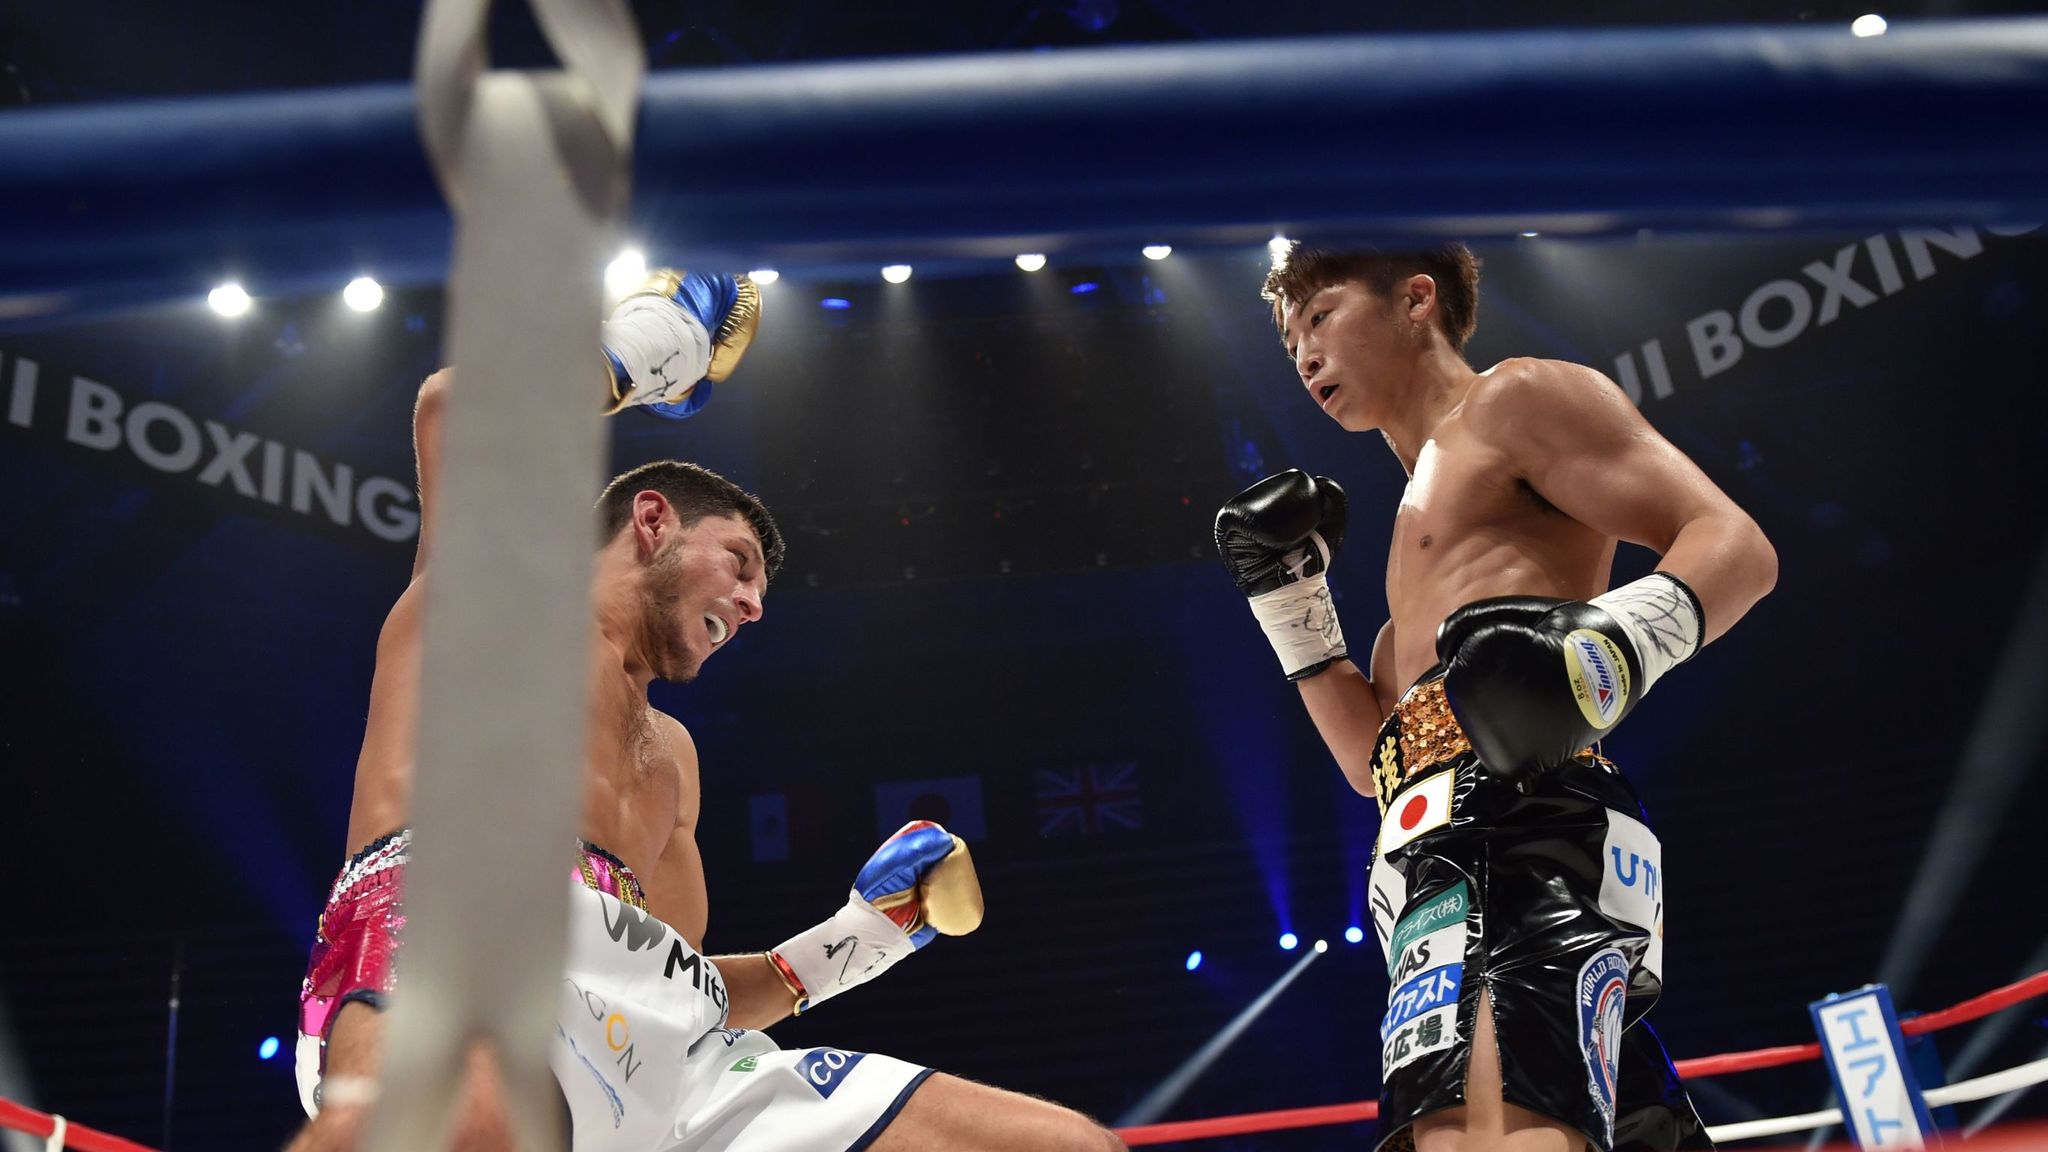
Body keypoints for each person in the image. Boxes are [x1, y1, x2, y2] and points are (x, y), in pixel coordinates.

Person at [291, 269, 1125, 1152]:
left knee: (1067, 1149)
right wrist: (647, 345)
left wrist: (855, 940)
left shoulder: (675, 757)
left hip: (669, 1061)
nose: (756, 605)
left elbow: (672, 987)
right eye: (739, 561)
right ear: (652, 522)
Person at [1216, 242, 1777, 1152]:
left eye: (1320, 317)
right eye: (1289, 344)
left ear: (1416, 299)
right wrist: (1291, 609)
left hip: (1512, 828)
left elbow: (1736, 547)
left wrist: (1603, 653)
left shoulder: (1513, 400)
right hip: (1444, 847)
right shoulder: (1414, 569)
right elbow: (1374, 767)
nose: (1304, 352)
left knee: (1481, 1139)